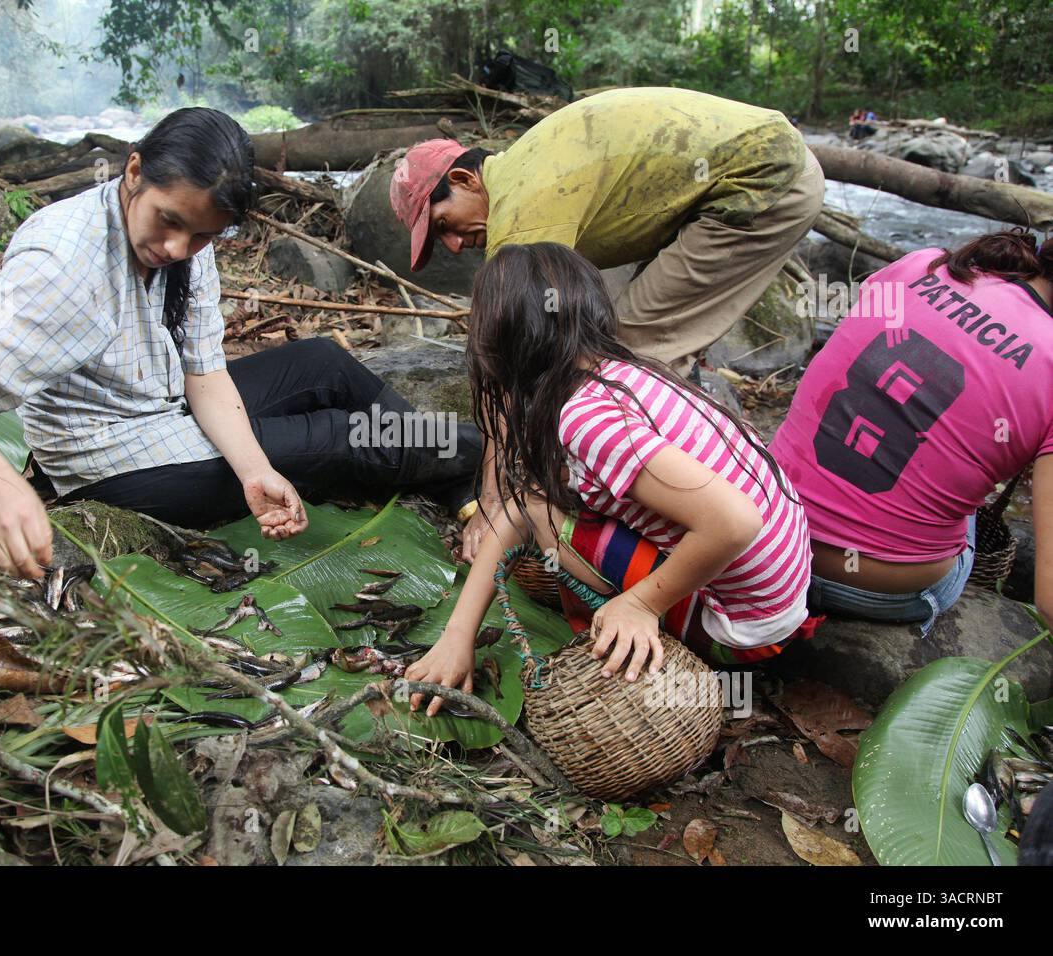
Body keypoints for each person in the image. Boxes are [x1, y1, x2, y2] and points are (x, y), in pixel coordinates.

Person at [0, 107, 480, 581]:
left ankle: (445, 465)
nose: (176, 247)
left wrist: (253, 469)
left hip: (166, 405)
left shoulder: (189, 236)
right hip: (113, 454)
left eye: (201, 235)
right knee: (340, 436)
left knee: (324, 363)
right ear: (134, 171)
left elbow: (205, 374)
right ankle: (486, 455)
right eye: (168, 222)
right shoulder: (62, 263)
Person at [390, 86, 825, 560]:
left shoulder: (524, 216)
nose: (453, 246)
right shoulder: (520, 171)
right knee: (613, 348)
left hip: (764, 179)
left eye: (443, 225)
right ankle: (675, 478)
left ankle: (688, 516)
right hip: (739, 172)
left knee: (629, 357)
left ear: (465, 179)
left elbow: (505, 370)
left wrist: (497, 501)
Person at [404, 243, 815, 715]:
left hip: (737, 630)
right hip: (779, 599)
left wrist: (641, 604)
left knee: (538, 509)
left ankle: (623, 626)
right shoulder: (621, 374)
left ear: (504, 343)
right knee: (543, 500)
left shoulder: (586, 421)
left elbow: (736, 521)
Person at [770, 229, 1053, 635]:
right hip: (863, 584)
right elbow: (1049, 601)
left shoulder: (924, 263)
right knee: (966, 499)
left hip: (766, 531)